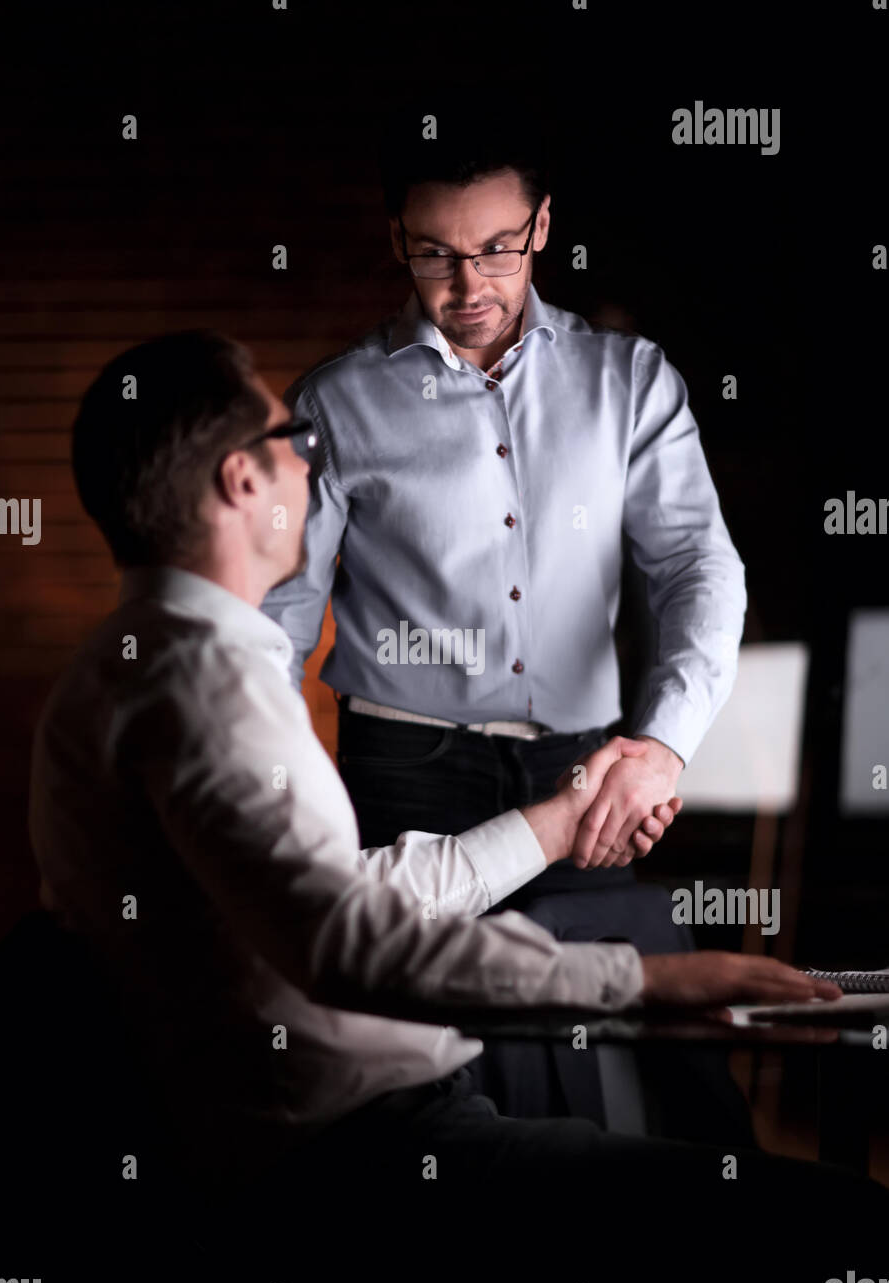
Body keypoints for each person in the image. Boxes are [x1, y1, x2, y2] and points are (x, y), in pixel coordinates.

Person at [27, 330, 889, 1283]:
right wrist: (643, 982)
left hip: (352, 1128)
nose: (313, 468)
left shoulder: (131, 663)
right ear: (241, 482)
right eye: (298, 445)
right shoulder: (205, 683)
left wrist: (561, 819)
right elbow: (347, 945)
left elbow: (340, 898)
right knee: (848, 1232)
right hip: (359, 1154)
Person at [262, 100, 748, 1126]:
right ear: (396, 237)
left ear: (541, 226)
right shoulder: (334, 404)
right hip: (404, 774)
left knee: (642, 1052)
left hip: (590, 763)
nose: (467, 286)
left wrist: (661, 743)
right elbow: (278, 629)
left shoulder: (629, 381)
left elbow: (698, 566)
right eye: (434, 254)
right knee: (436, 1058)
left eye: (495, 249)